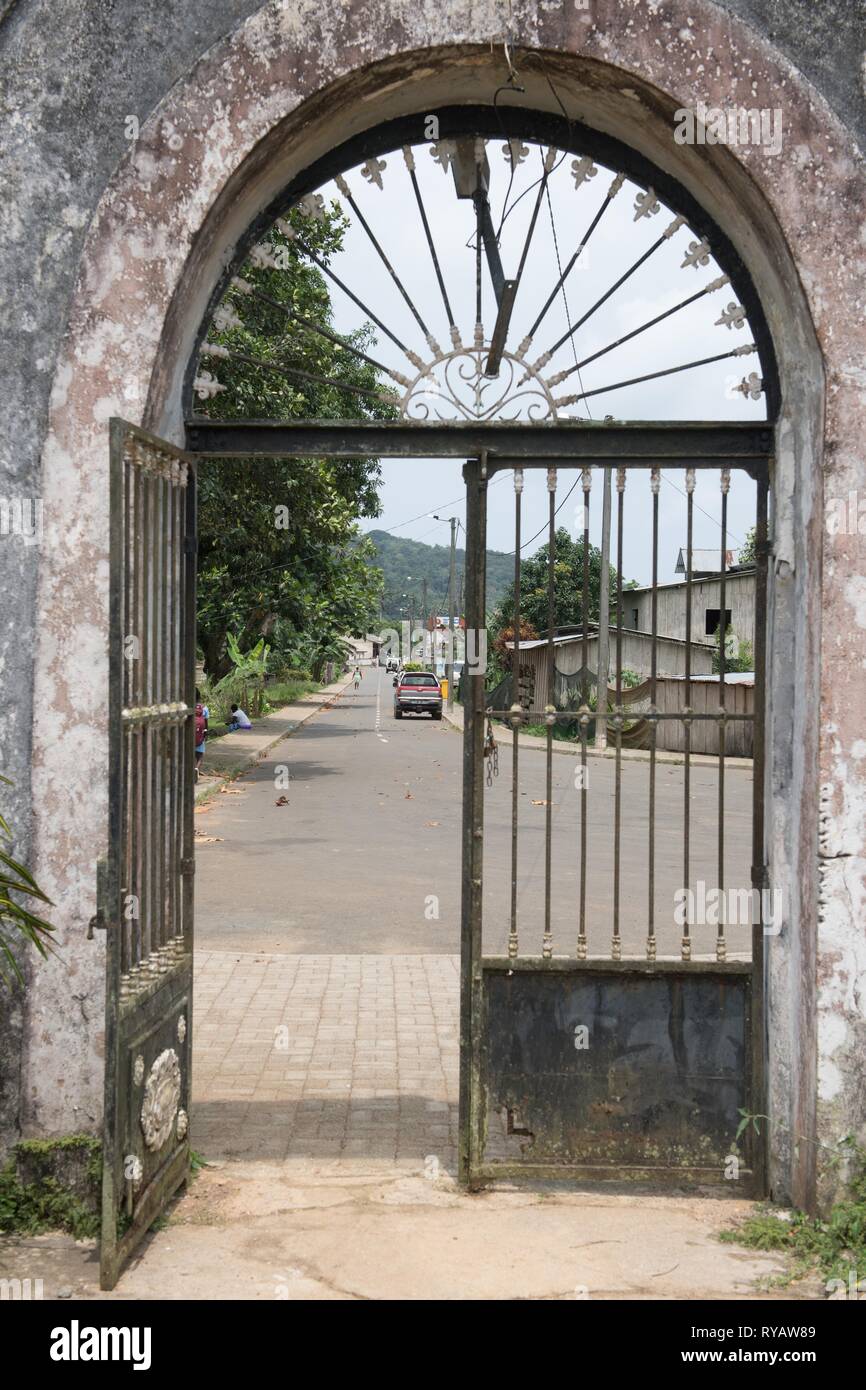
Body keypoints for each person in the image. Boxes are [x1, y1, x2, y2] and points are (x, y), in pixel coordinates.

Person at [194, 686, 209, 782]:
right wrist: (206, 733)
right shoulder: (204, 708)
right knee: (200, 755)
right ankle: (196, 769)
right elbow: (206, 723)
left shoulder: (186, 706)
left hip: (187, 735)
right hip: (200, 734)